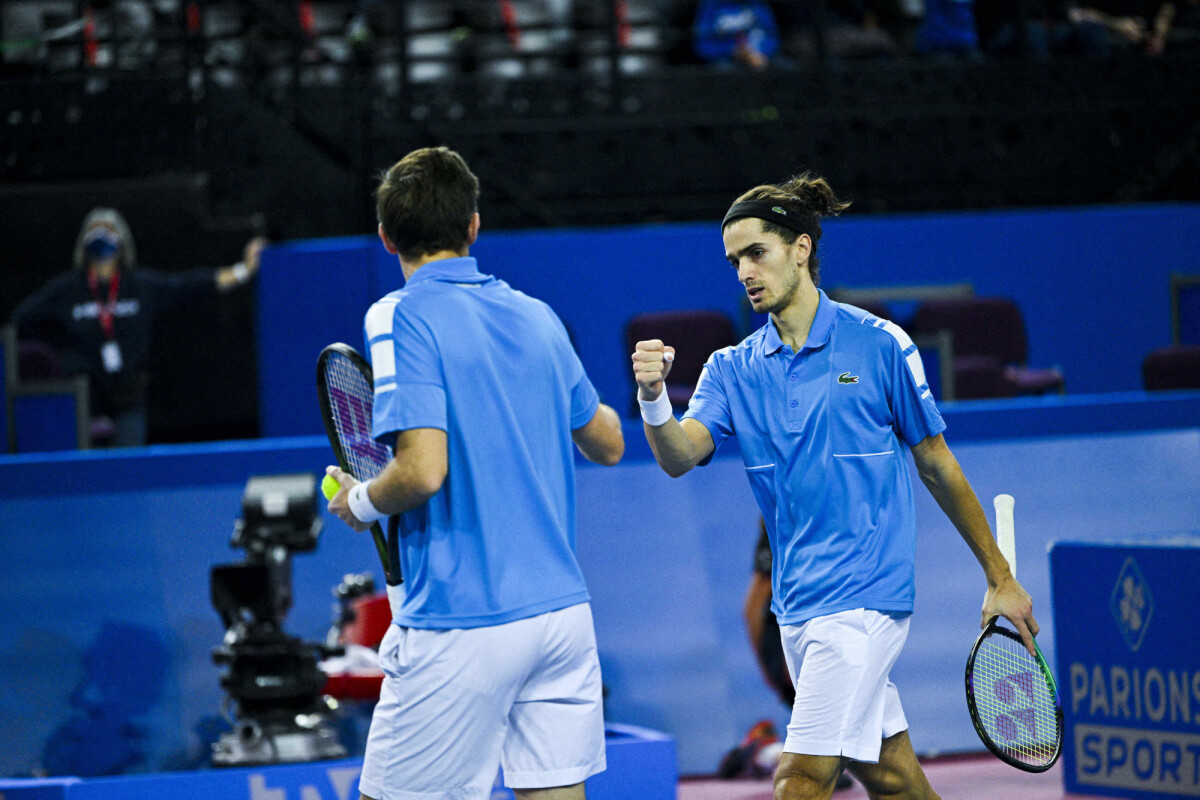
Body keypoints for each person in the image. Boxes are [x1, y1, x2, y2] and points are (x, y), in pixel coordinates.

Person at [630, 173, 1039, 800]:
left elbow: (936, 462)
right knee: (893, 778)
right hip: (797, 607)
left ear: (800, 248)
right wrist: (654, 399)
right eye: (734, 260)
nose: (743, 271)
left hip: (865, 599)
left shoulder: (880, 346)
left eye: (756, 253)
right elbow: (680, 457)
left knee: (800, 778)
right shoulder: (731, 369)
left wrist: (999, 576)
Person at [325, 146, 624, 800]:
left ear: (385, 238)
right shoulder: (539, 317)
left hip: (466, 620)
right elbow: (607, 441)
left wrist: (364, 502)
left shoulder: (396, 313)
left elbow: (423, 471)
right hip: (562, 620)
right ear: (473, 226)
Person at [10, 207, 264, 447]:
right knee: (89, 473)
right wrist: (58, 359)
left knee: (127, 466)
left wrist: (244, 270)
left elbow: (193, 285)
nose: (101, 237)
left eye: (108, 230)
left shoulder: (140, 286)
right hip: (87, 398)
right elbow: (23, 318)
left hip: (128, 397)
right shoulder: (66, 289)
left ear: (122, 241)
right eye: (95, 230)